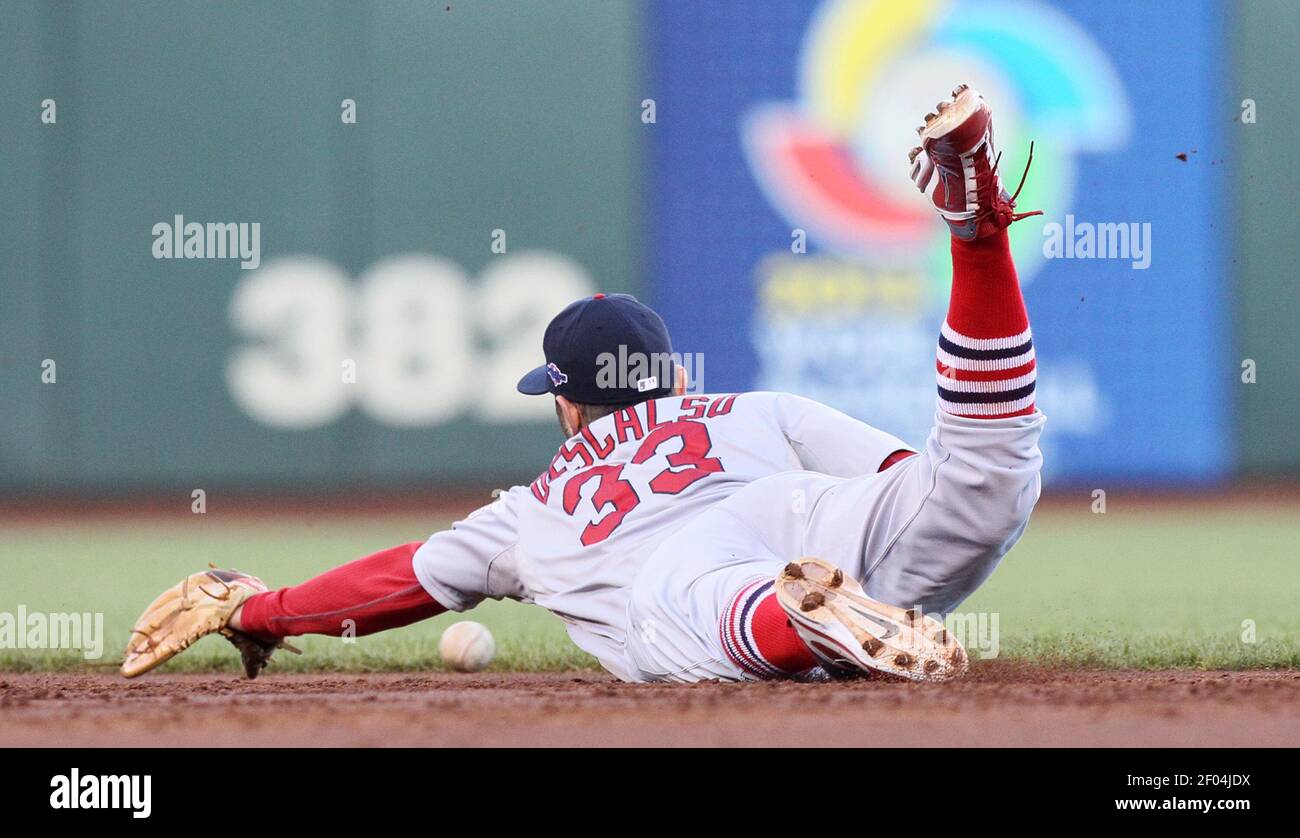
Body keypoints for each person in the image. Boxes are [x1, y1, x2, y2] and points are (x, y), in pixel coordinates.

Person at [122, 85, 1043, 684]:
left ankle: (803, 619)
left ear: (567, 403)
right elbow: (899, 481)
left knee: (674, 616)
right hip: (811, 514)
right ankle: (979, 238)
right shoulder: (758, 410)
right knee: (980, 478)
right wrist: (930, 510)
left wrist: (262, 610)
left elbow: (401, 580)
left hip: (705, 580)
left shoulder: (531, 511)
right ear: (675, 378)